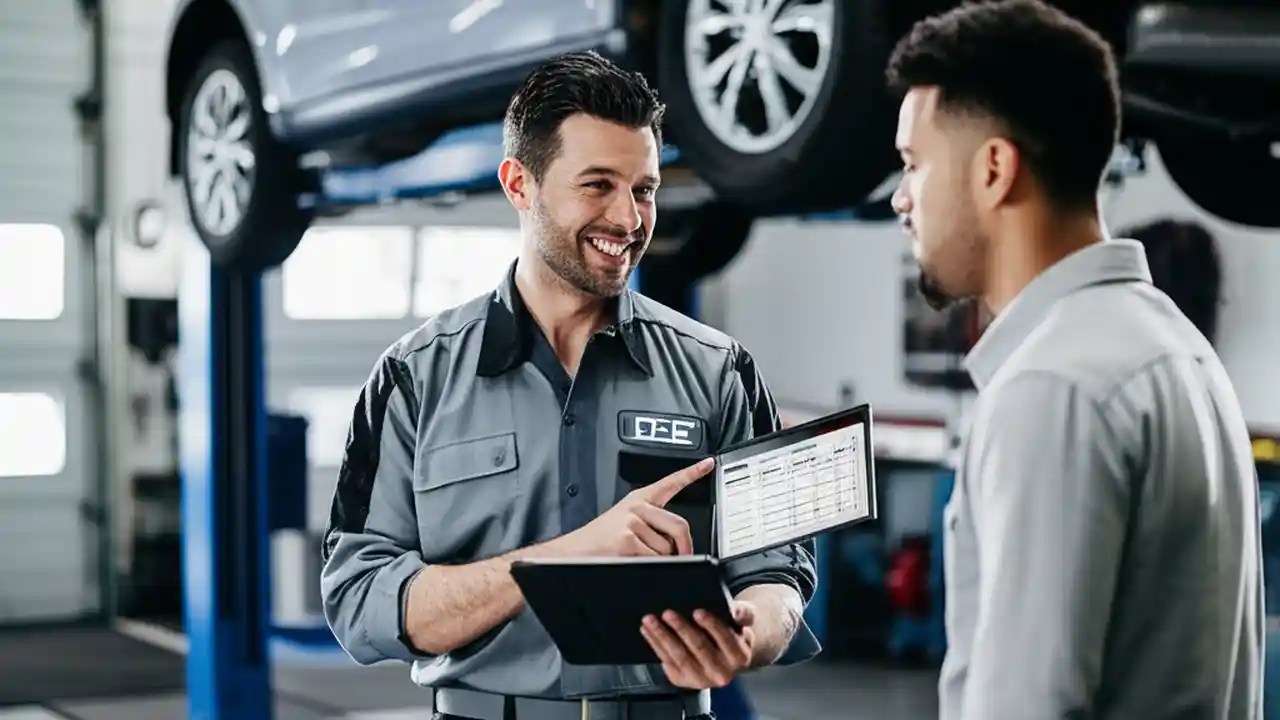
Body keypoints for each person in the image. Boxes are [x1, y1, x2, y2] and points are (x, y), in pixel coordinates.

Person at [320, 51, 819, 720]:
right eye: (598, 185)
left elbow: (779, 573)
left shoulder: (719, 371)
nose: (630, 219)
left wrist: (751, 630)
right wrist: (569, 557)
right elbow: (359, 600)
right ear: (519, 184)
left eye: (644, 189)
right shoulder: (414, 378)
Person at [885, 2, 1264, 718]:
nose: (903, 199)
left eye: (914, 164)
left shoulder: (1053, 387)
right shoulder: (1174, 349)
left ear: (994, 169)